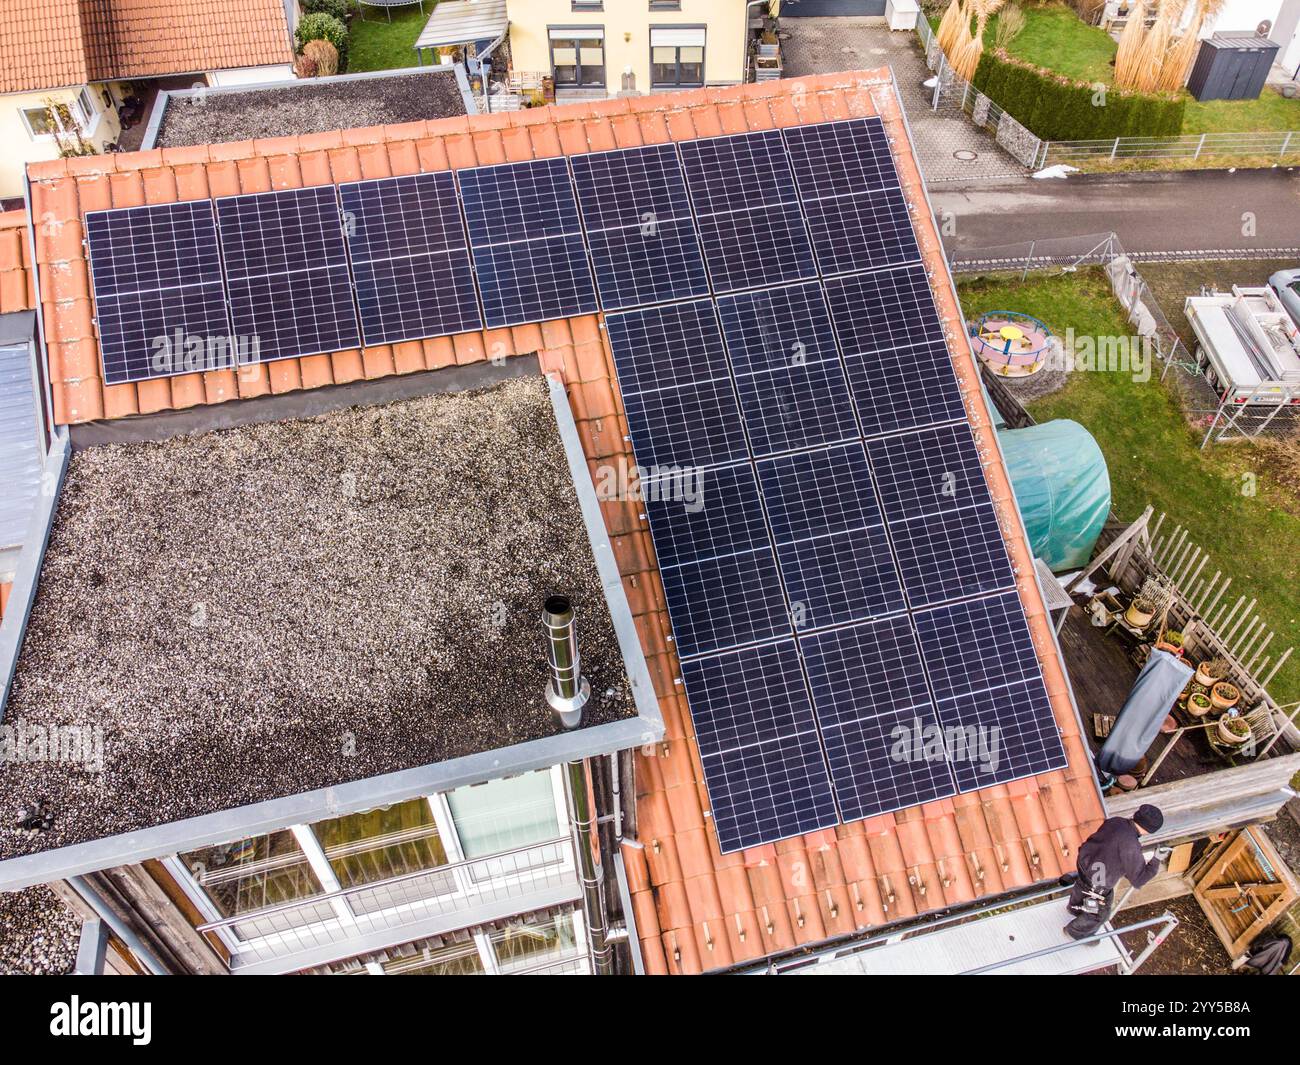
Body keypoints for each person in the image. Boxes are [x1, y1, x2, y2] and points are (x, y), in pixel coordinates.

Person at [1064, 804, 1166, 941]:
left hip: (1085, 863)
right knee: (1100, 913)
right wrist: (1156, 860)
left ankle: (1074, 909)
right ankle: (1075, 932)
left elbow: (1109, 845)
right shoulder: (1130, 845)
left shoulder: (1116, 821)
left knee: (1083, 887)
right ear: (1150, 830)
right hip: (1098, 879)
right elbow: (1139, 879)